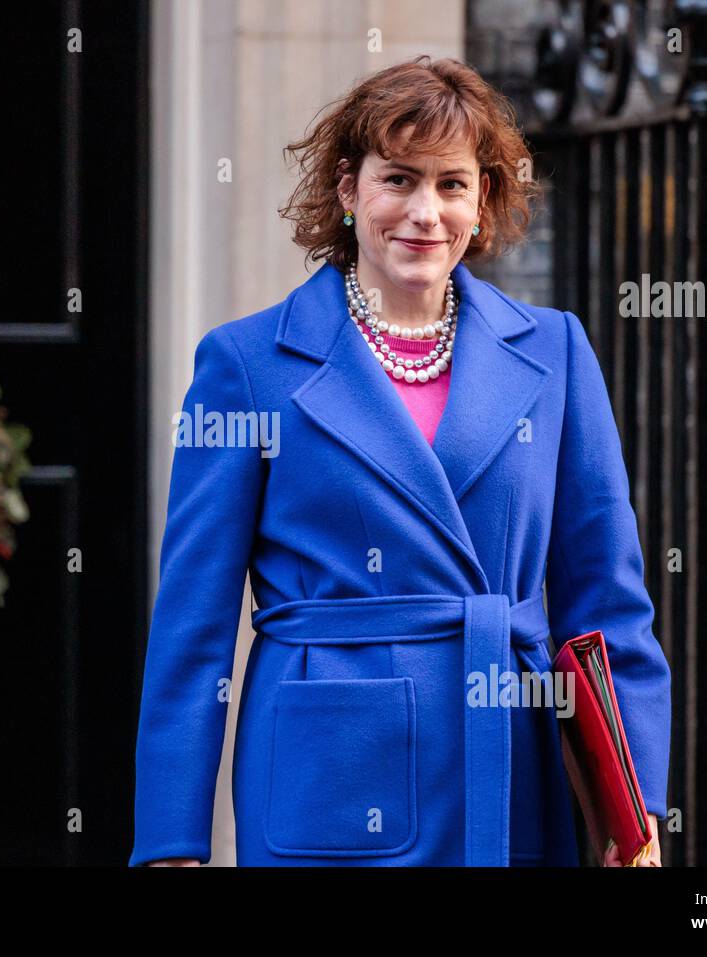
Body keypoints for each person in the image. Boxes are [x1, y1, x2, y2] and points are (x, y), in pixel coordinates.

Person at [130, 55, 669, 867]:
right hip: (329, 772)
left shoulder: (555, 352)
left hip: (509, 764)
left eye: (452, 184)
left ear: (482, 198)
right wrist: (172, 840)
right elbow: (193, 626)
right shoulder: (246, 364)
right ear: (349, 191)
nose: (425, 212)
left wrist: (637, 811)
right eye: (399, 179)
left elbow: (608, 602)